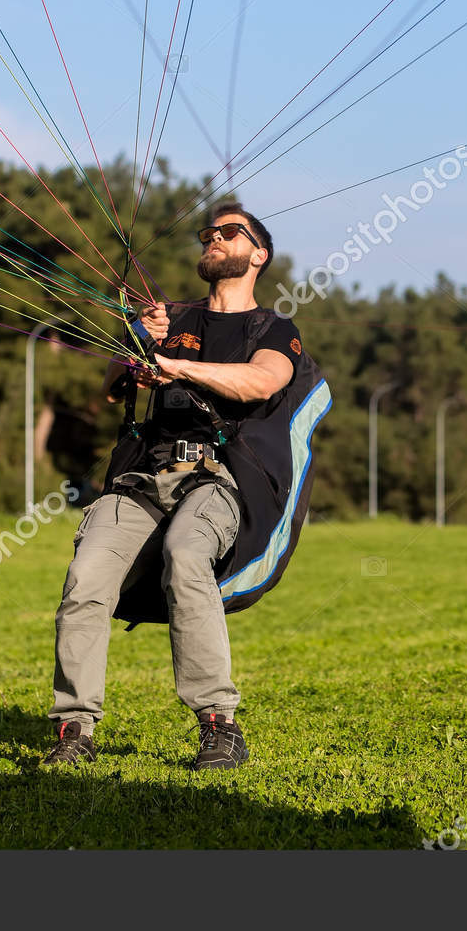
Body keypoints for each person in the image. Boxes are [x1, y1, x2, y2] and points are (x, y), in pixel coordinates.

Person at [44, 202, 305, 771]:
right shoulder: (171, 319)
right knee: (85, 577)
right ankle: (74, 728)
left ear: (258, 254)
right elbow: (116, 387)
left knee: (186, 555)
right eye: (208, 232)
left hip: (214, 479)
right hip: (143, 479)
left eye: (229, 232)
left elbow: (262, 381)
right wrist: (139, 340)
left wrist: (181, 368)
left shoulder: (273, 328)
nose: (213, 238)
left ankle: (218, 724)